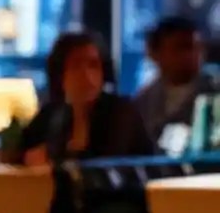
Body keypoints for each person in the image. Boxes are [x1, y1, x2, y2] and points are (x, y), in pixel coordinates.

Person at [22, 31, 155, 165]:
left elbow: (103, 166)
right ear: (60, 74)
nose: (86, 75)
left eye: (93, 65)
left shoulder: (120, 111)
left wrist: (51, 157)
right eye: (76, 65)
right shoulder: (53, 112)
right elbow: (18, 151)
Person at [134, 16, 210, 142]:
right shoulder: (142, 103)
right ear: (154, 53)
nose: (191, 55)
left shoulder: (214, 92)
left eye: (196, 47)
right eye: (181, 47)